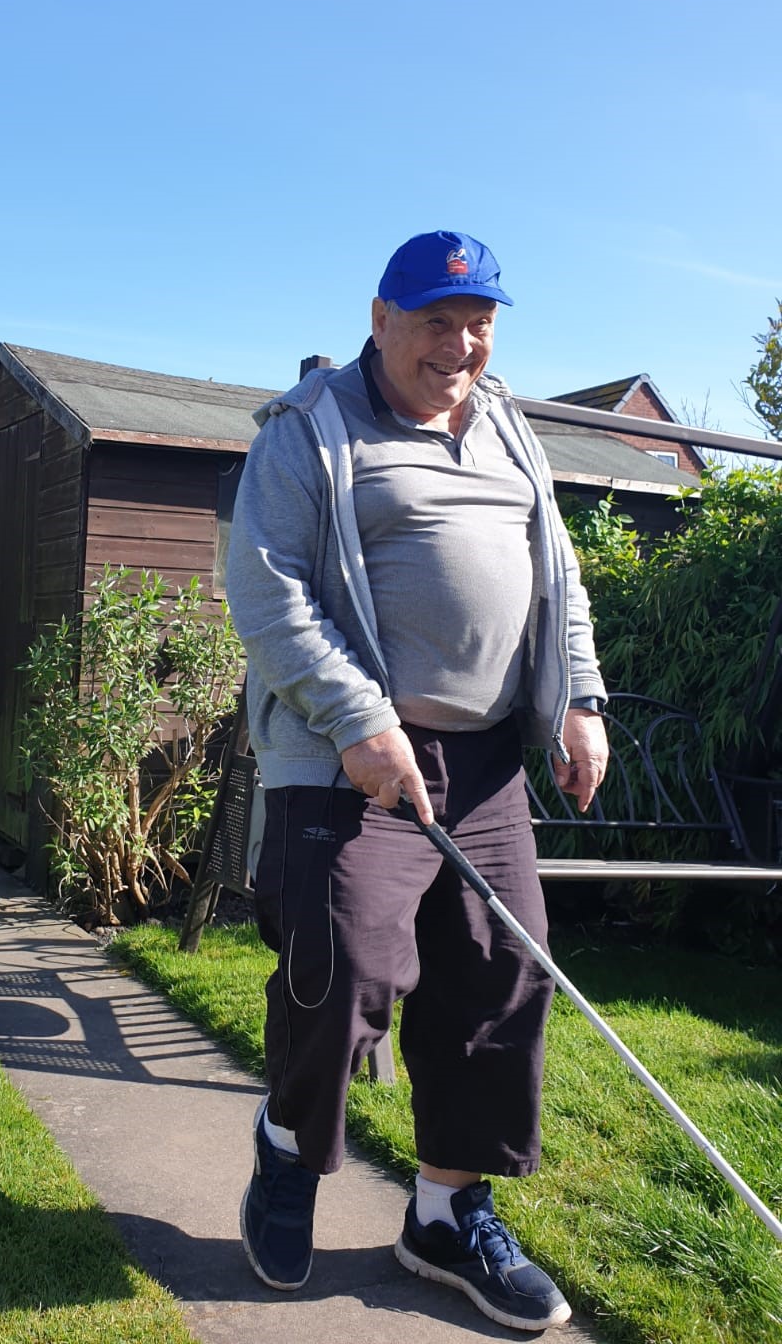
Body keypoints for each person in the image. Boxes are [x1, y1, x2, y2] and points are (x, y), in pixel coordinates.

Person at [224, 230, 609, 1332]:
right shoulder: (311, 430)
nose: (462, 342)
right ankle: (289, 1151)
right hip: (348, 761)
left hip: (486, 763)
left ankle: (445, 1213)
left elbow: (559, 577)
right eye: (437, 319)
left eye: (480, 319)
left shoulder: (507, 426)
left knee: (499, 980)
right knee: (340, 973)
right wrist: (359, 721)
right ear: (382, 317)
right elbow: (268, 594)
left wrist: (578, 698)